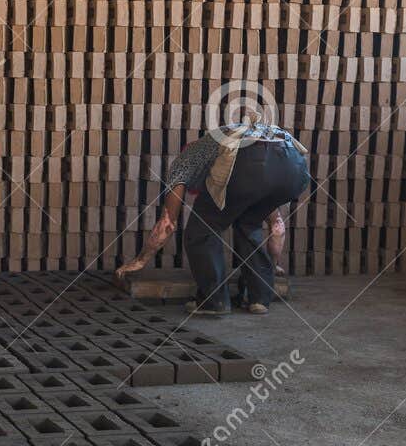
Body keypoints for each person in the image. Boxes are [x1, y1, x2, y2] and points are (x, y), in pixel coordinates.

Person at [115, 119, 310, 316]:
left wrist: (141, 260)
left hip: (249, 163)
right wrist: (272, 264)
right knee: (248, 224)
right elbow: (277, 227)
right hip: (294, 166)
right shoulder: (229, 144)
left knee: (201, 231)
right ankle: (259, 299)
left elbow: (166, 223)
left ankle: (214, 302)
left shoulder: (182, 164)